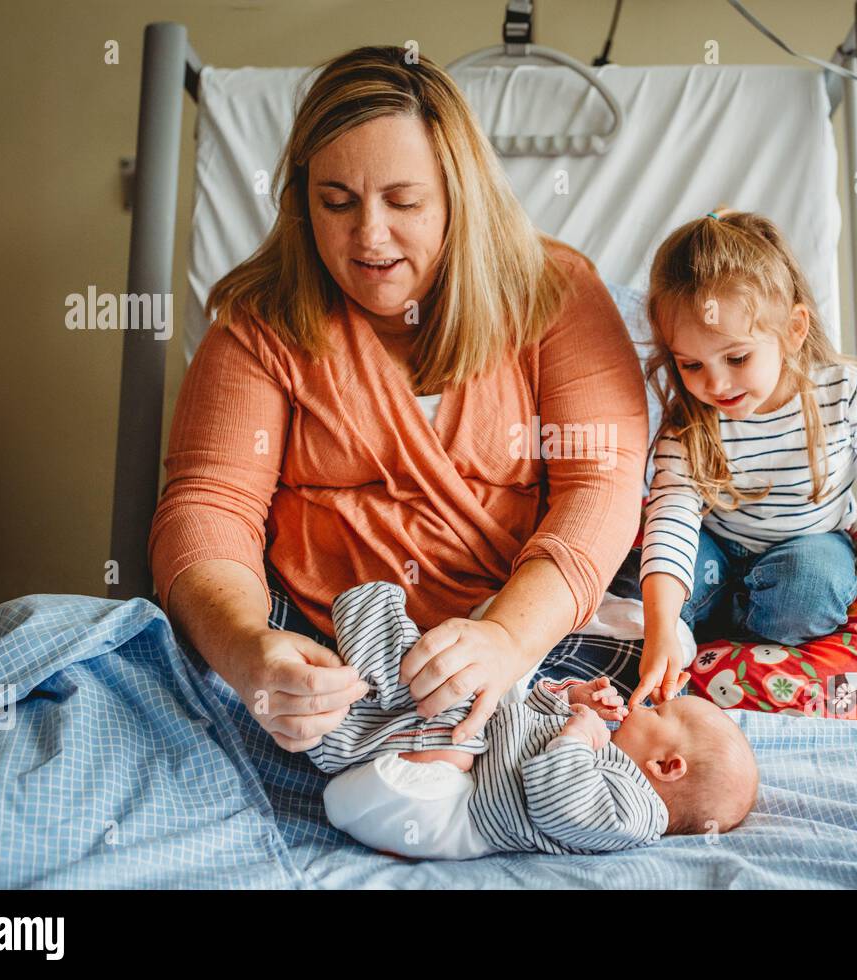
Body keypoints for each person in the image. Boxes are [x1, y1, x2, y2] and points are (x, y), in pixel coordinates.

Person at [148, 46, 648, 754]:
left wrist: (505, 640)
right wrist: (249, 653)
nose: (369, 236)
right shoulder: (260, 321)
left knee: (617, 727)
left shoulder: (554, 295)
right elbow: (208, 505)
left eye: (403, 201)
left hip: (531, 628)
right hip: (315, 639)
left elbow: (601, 485)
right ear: (301, 202)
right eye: (337, 203)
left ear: (458, 194)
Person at [628, 209, 857, 707]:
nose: (715, 384)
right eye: (691, 364)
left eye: (736, 358)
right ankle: (712, 622)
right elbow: (672, 519)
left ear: (794, 329)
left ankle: (727, 624)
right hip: (719, 549)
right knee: (650, 579)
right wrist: (662, 625)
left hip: (808, 545)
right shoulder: (689, 424)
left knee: (811, 589)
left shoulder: (844, 394)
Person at [309, 582, 758, 859]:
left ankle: (374, 668)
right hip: (465, 762)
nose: (640, 706)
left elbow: (552, 798)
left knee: (452, 720)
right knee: (464, 698)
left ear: (665, 766)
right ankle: (358, 686)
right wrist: (570, 700)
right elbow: (529, 723)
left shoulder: (636, 815)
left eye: (658, 712)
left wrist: (578, 738)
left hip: (455, 811)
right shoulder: (612, 757)